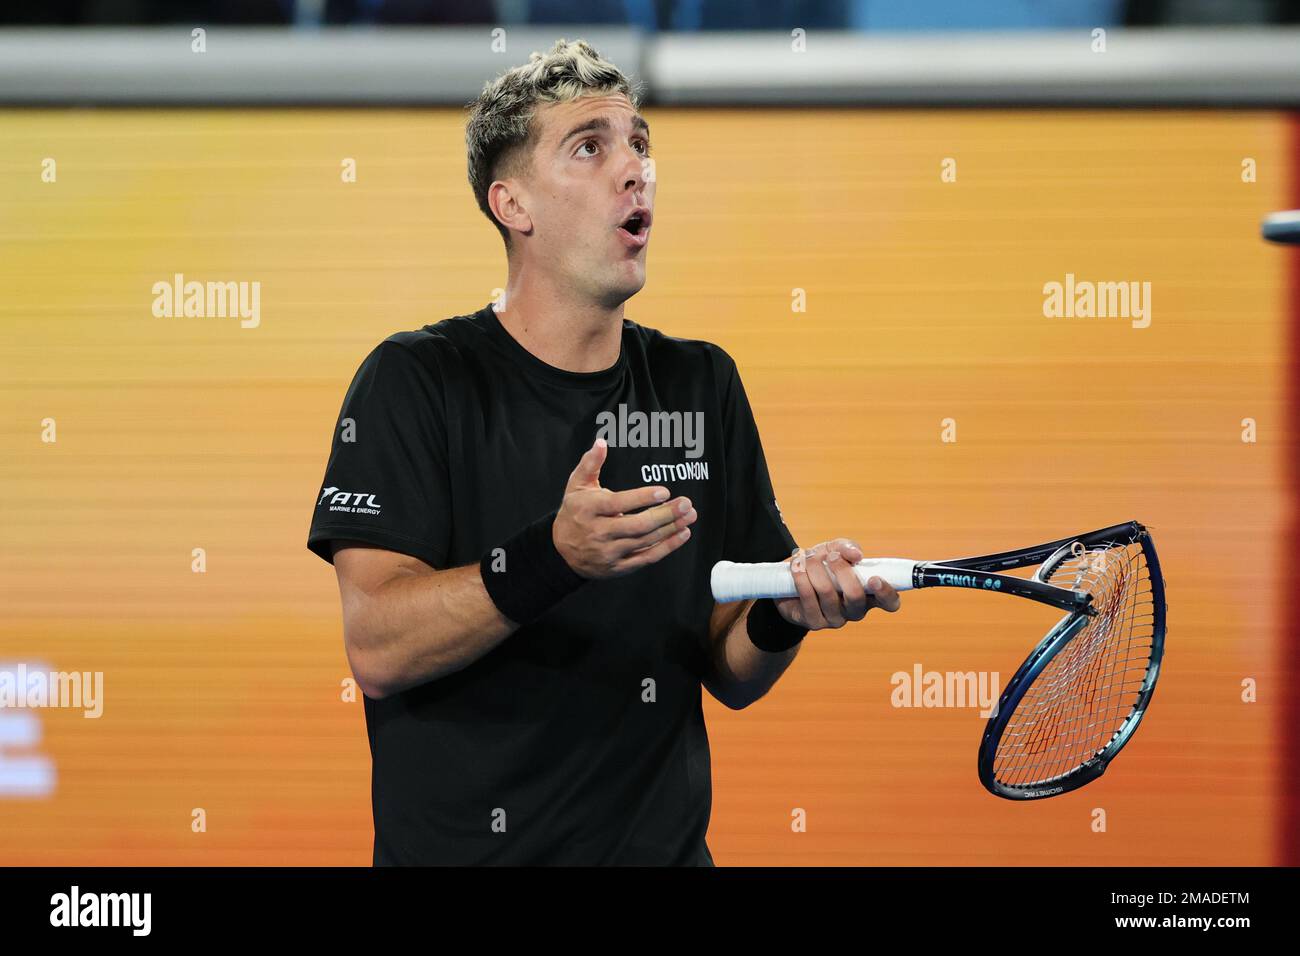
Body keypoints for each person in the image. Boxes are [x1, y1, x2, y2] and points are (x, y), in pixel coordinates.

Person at [307, 38, 901, 866]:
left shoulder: (701, 384)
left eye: (640, 145)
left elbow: (727, 669)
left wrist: (781, 613)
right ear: (512, 204)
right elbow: (376, 643)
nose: (635, 170)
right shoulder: (415, 381)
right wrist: (553, 558)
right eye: (590, 147)